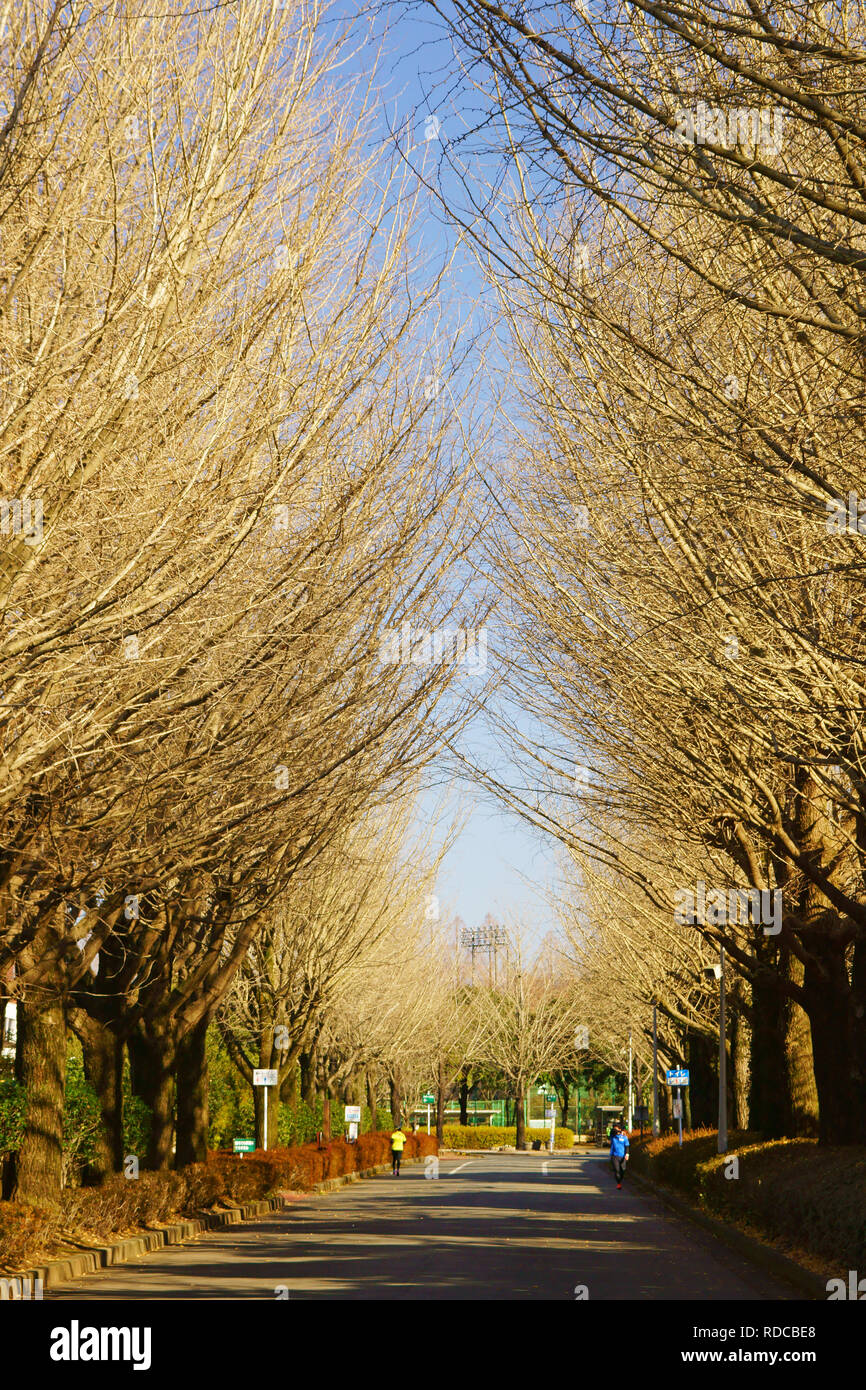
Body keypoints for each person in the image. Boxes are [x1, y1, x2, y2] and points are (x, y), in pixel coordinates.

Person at [609, 1119, 629, 1189]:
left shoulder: (624, 1137)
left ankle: (620, 1180)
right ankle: (619, 1183)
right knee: (617, 1170)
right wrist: (620, 1131)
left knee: (623, 1170)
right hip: (614, 1156)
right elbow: (612, 1131)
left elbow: (627, 1146)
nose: (615, 1130)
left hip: (622, 1155)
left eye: (616, 1128)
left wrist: (627, 1154)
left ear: (620, 1128)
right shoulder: (612, 1136)